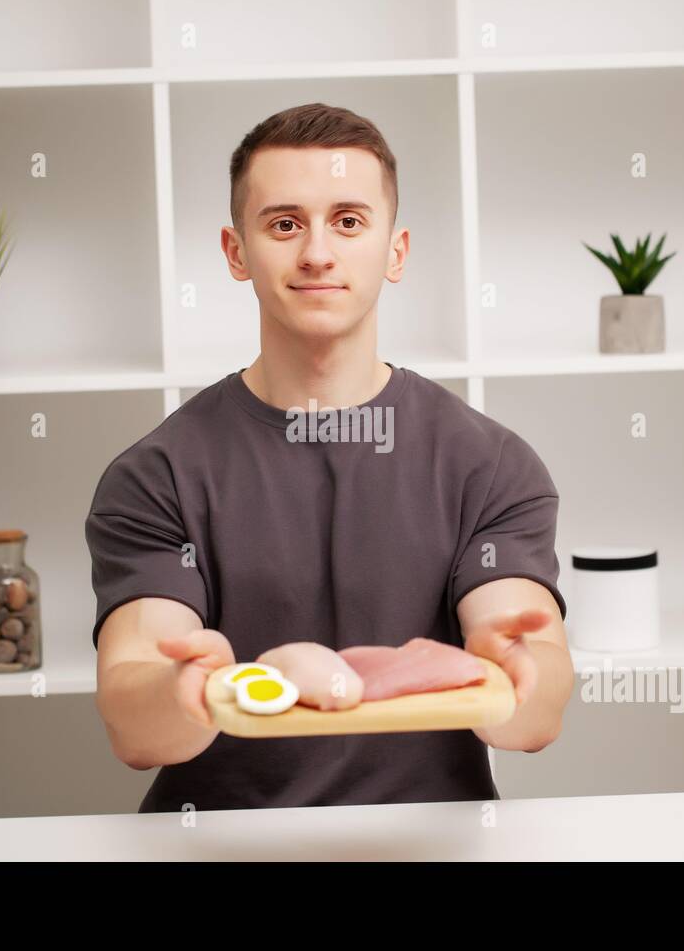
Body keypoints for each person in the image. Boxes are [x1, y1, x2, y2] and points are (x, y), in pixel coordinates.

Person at [86, 102, 574, 812]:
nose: (317, 252)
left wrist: (511, 672)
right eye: (285, 223)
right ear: (235, 251)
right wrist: (190, 688)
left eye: (349, 221)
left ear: (396, 250)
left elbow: (537, 719)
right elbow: (136, 730)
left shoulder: (490, 464)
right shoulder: (156, 476)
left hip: (429, 848)